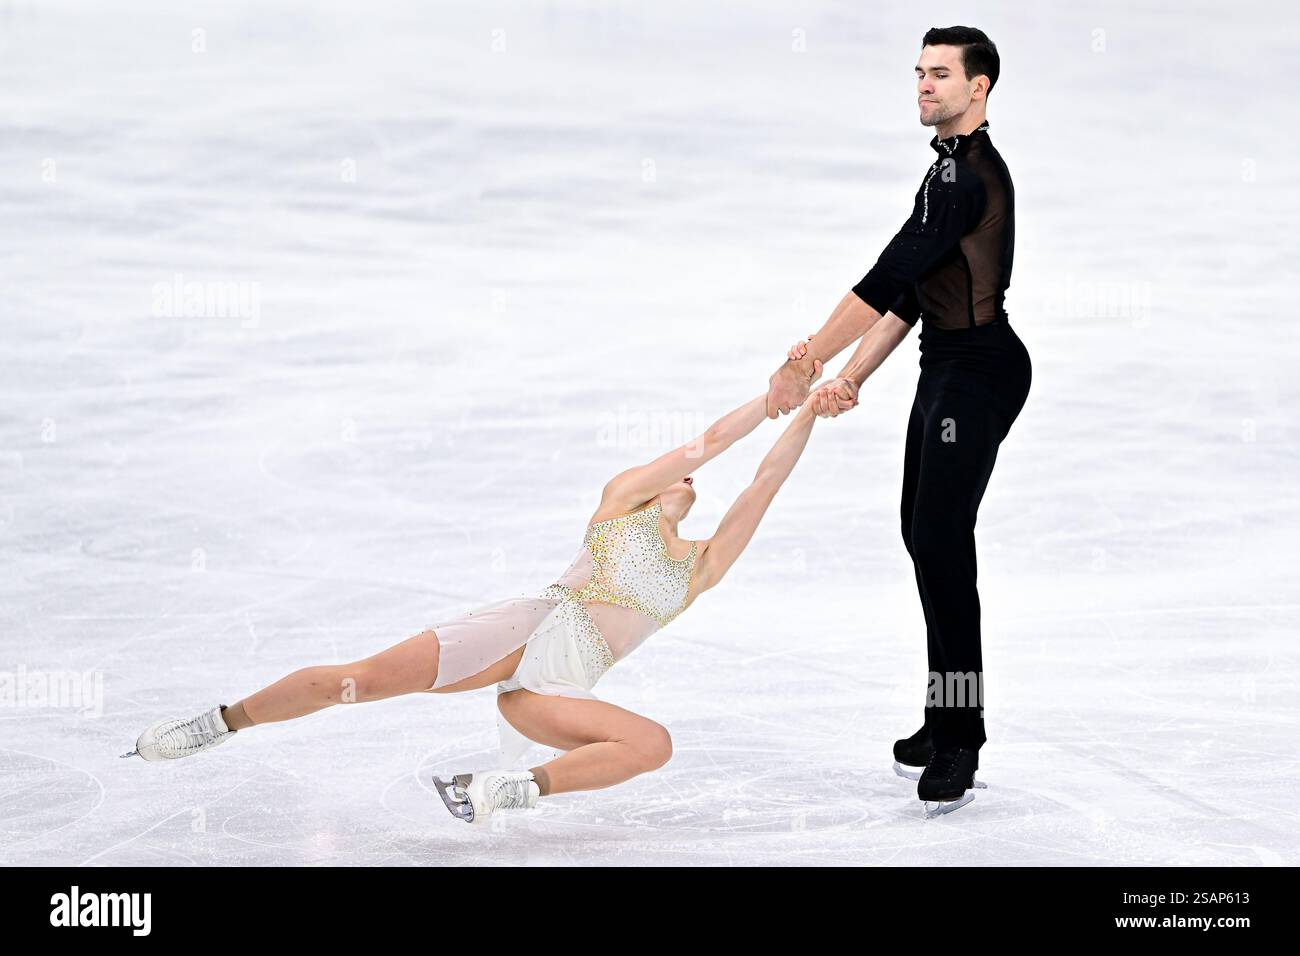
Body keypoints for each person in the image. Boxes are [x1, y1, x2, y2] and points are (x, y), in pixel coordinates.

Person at [122, 378, 831, 826]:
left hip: (554, 686)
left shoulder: (701, 568)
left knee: (653, 746)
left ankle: (508, 787)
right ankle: (218, 722)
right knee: (360, 681)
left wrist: (808, 419)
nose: (692, 485)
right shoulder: (622, 503)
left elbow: (760, 486)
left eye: (695, 490)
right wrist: (775, 401)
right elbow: (702, 446)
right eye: (680, 482)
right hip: (520, 631)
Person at [766, 26, 1032, 818]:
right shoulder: (943, 171)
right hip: (946, 365)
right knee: (924, 536)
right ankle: (946, 714)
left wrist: (807, 359)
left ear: (978, 87)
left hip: (980, 372)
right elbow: (914, 293)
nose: (923, 85)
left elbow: (886, 278)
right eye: (919, 72)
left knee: (943, 542)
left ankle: (963, 738)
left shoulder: (966, 177)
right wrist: (851, 375)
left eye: (940, 74)